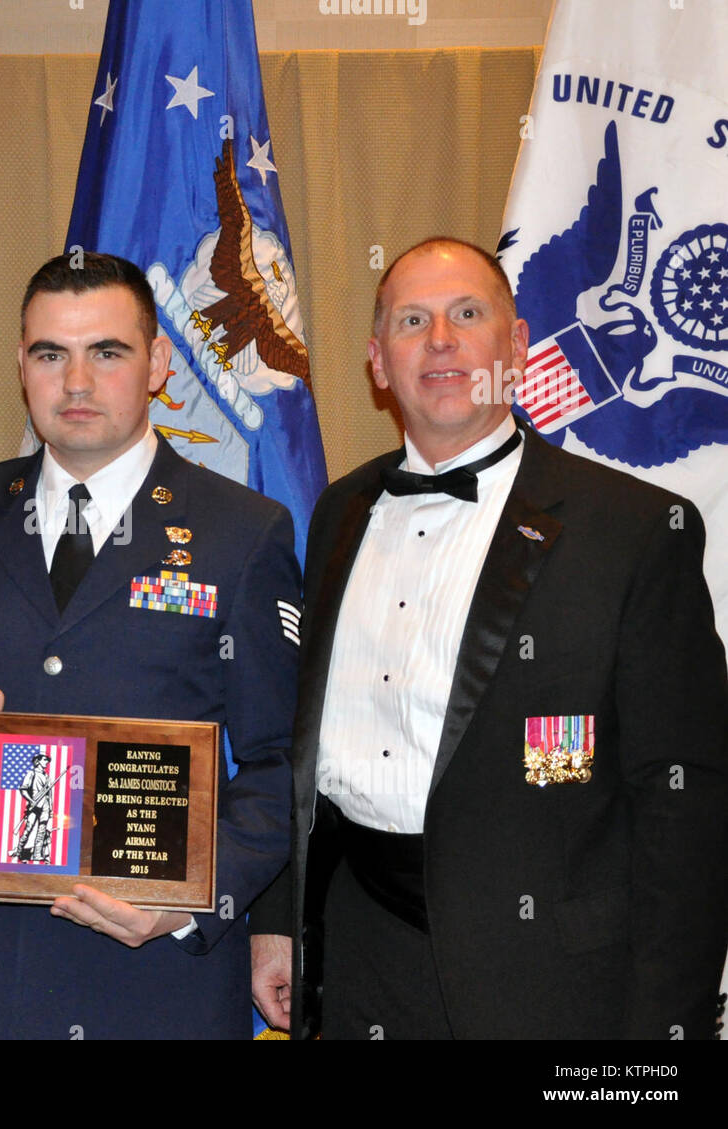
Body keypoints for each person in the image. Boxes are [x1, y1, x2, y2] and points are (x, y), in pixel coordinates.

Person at [249, 237, 728, 1039]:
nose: (440, 339)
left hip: (550, 986)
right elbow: (303, 748)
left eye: (467, 313)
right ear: (377, 361)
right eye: (412, 320)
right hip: (361, 962)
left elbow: (687, 810)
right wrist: (278, 915)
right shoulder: (337, 513)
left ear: (516, 347)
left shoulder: (637, 531)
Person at [0, 252, 301, 1039]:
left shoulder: (242, 532)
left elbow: (283, 760)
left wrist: (192, 902)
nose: (76, 381)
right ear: (22, 366)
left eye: (107, 352)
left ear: (158, 363)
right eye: (50, 354)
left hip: (157, 988)